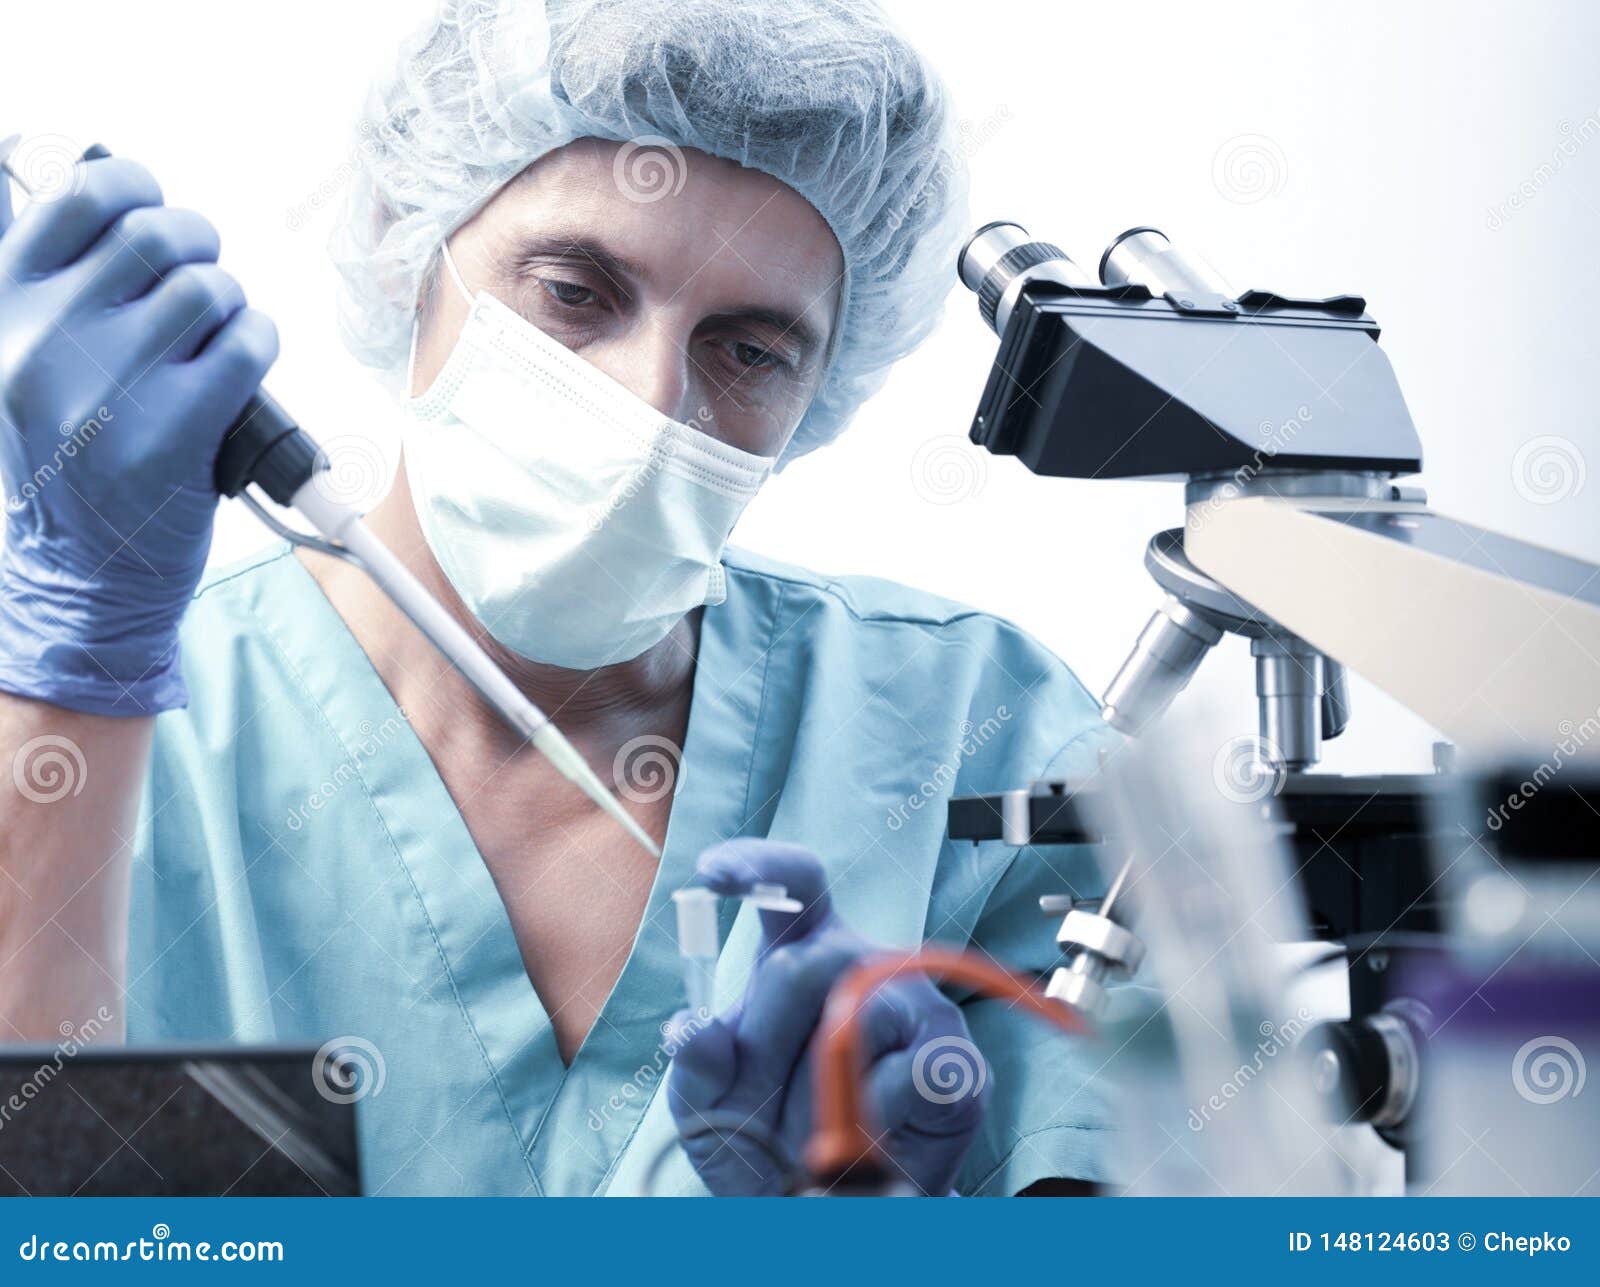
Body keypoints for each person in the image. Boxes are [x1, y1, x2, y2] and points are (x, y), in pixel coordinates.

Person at [0, 0, 1115, 1196]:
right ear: (402, 250)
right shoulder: (116, 738)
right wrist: (69, 685)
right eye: (575, 291)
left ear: (825, 388)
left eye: (747, 351)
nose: (649, 405)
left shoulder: (968, 732)